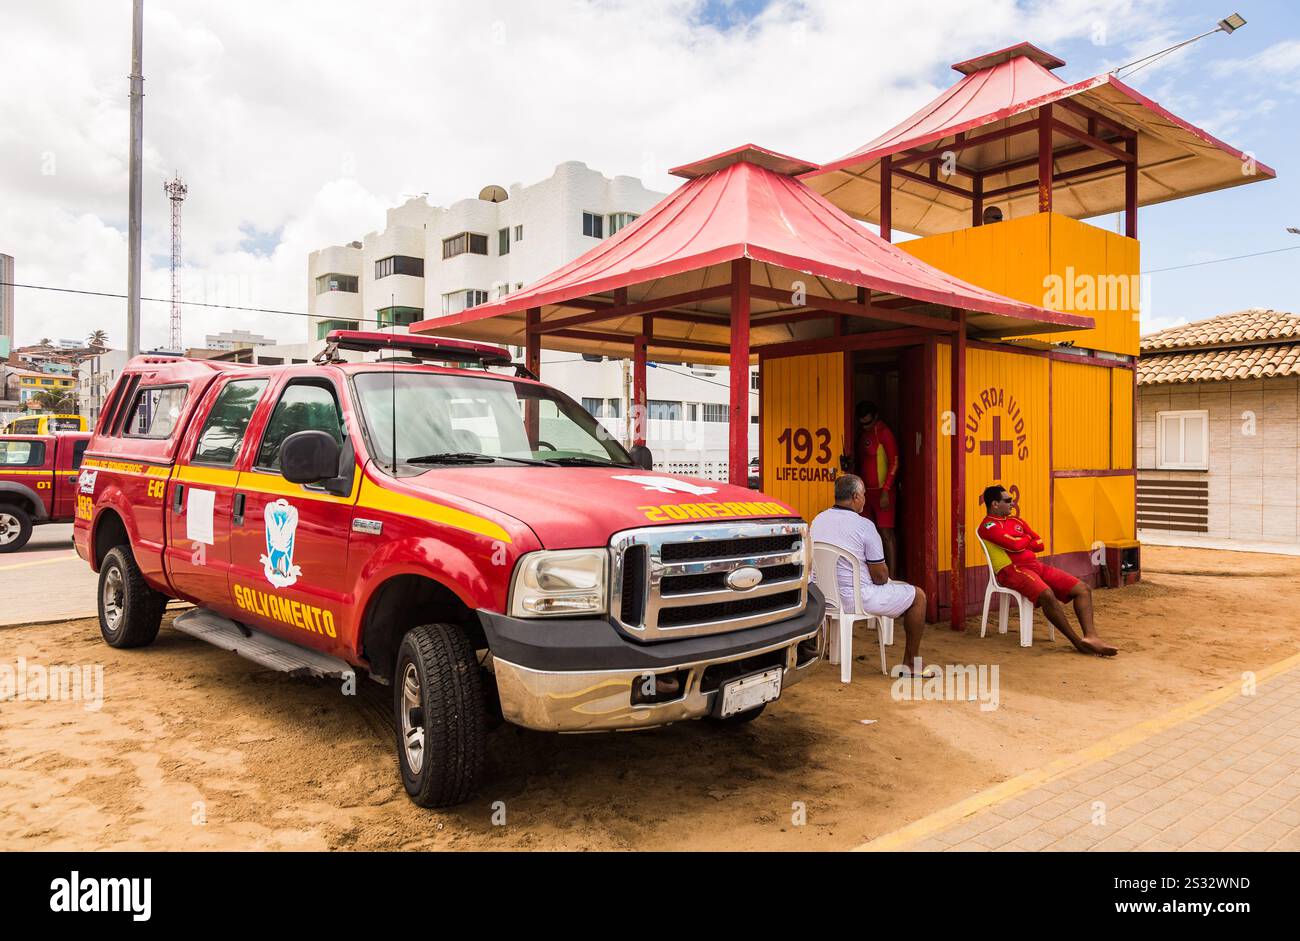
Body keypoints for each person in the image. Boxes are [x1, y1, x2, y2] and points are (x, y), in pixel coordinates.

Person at [811, 474, 933, 677]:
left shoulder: (818, 520)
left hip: (826, 598)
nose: (865, 499)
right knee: (918, 597)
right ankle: (910, 664)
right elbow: (880, 577)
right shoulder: (864, 526)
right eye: (864, 494)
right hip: (856, 599)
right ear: (856, 496)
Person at [977, 485, 1118, 657]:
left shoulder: (1017, 522)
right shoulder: (988, 526)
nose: (1012, 503)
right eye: (1007, 500)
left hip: (1035, 566)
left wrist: (1022, 539)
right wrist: (1025, 540)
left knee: (1082, 589)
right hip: (1012, 570)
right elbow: (1014, 545)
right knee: (1047, 595)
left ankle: (1091, 637)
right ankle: (1076, 642)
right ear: (995, 504)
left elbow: (1040, 544)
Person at [854, 401, 899, 576]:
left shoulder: (884, 433)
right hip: (865, 493)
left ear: (876, 417)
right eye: (862, 423)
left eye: (868, 422)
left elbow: (894, 462)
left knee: (886, 533)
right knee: (866, 533)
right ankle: (872, 575)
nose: (865, 426)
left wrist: (887, 489)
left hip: (883, 493)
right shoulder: (862, 434)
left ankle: (893, 576)